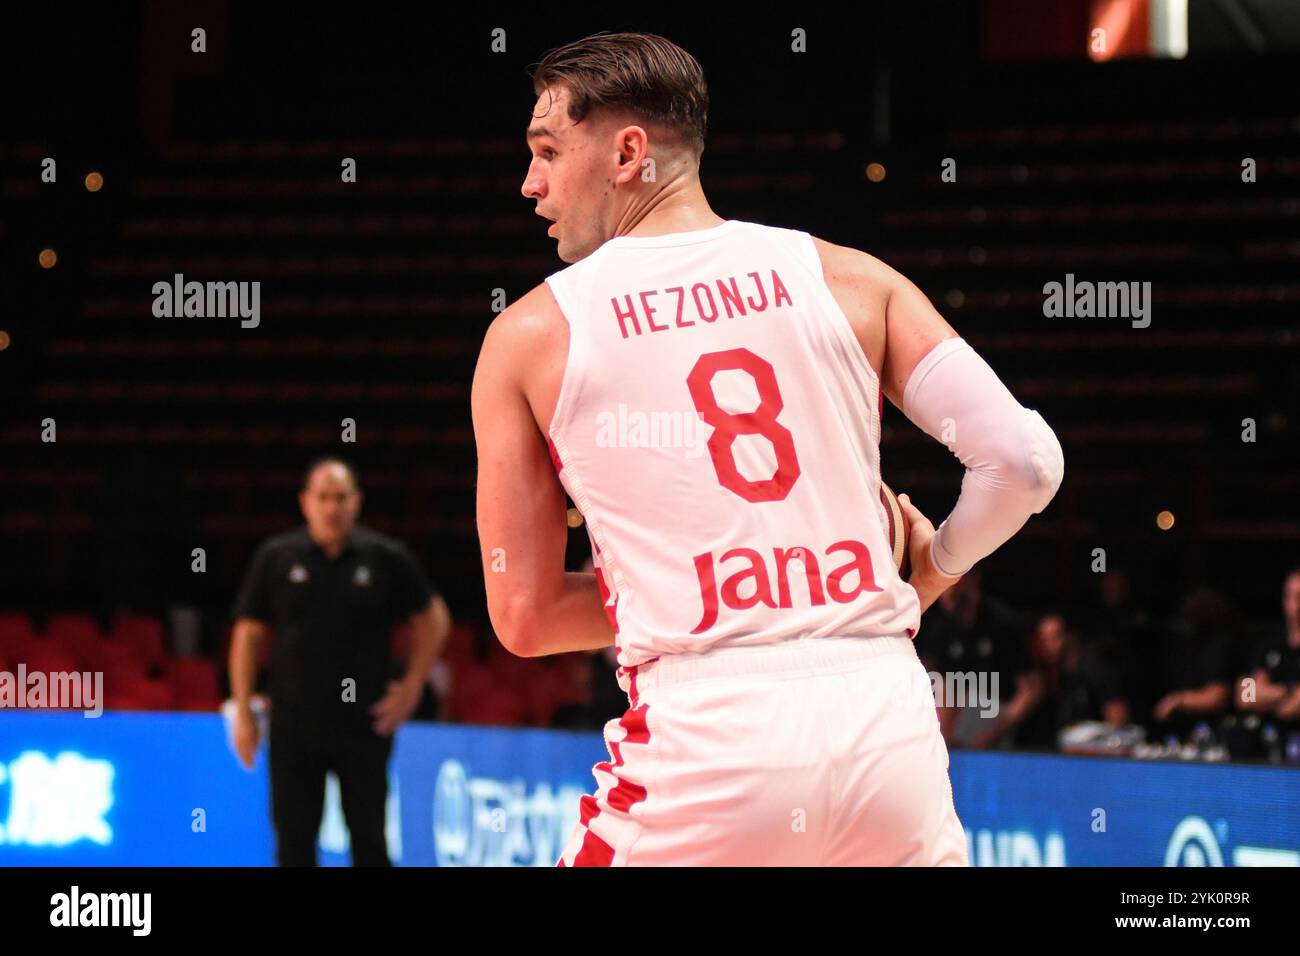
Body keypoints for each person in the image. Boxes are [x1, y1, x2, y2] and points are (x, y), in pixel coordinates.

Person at [471, 32, 1063, 865]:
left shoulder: (531, 332)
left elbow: (525, 617)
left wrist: (693, 582)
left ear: (627, 150)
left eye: (546, 150)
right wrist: (933, 568)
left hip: (708, 740)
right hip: (885, 719)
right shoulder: (849, 276)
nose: (529, 182)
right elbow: (1024, 461)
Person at [228, 457, 452, 866]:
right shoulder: (277, 557)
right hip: (293, 723)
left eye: (342, 498)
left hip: (364, 724)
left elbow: (434, 617)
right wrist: (242, 709)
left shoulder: (385, 557)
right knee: (293, 841)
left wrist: (412, 683)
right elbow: (248, 634)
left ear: (357, 502)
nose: (333, 508)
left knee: (369, 839)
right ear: (305, 502)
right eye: (324, 498)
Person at [918, 568, 1039, 749]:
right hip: (956, 728)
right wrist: (943, 741)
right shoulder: (940, 629)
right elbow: (945, 689)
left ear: (973, 578)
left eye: (953, 582)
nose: (947, 591)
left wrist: (990, 736)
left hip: (998, 720)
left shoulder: (1003, 622)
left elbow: (1031, 689)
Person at [1016, 612, 1131, 751]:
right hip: (1063, 755)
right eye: (1044, 639)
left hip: (1095, 758)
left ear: (1071, 637)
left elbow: (1118, 721)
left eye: (1055, 638)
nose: (1049, 646)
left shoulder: (1096, 669)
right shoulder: (1050, 675)